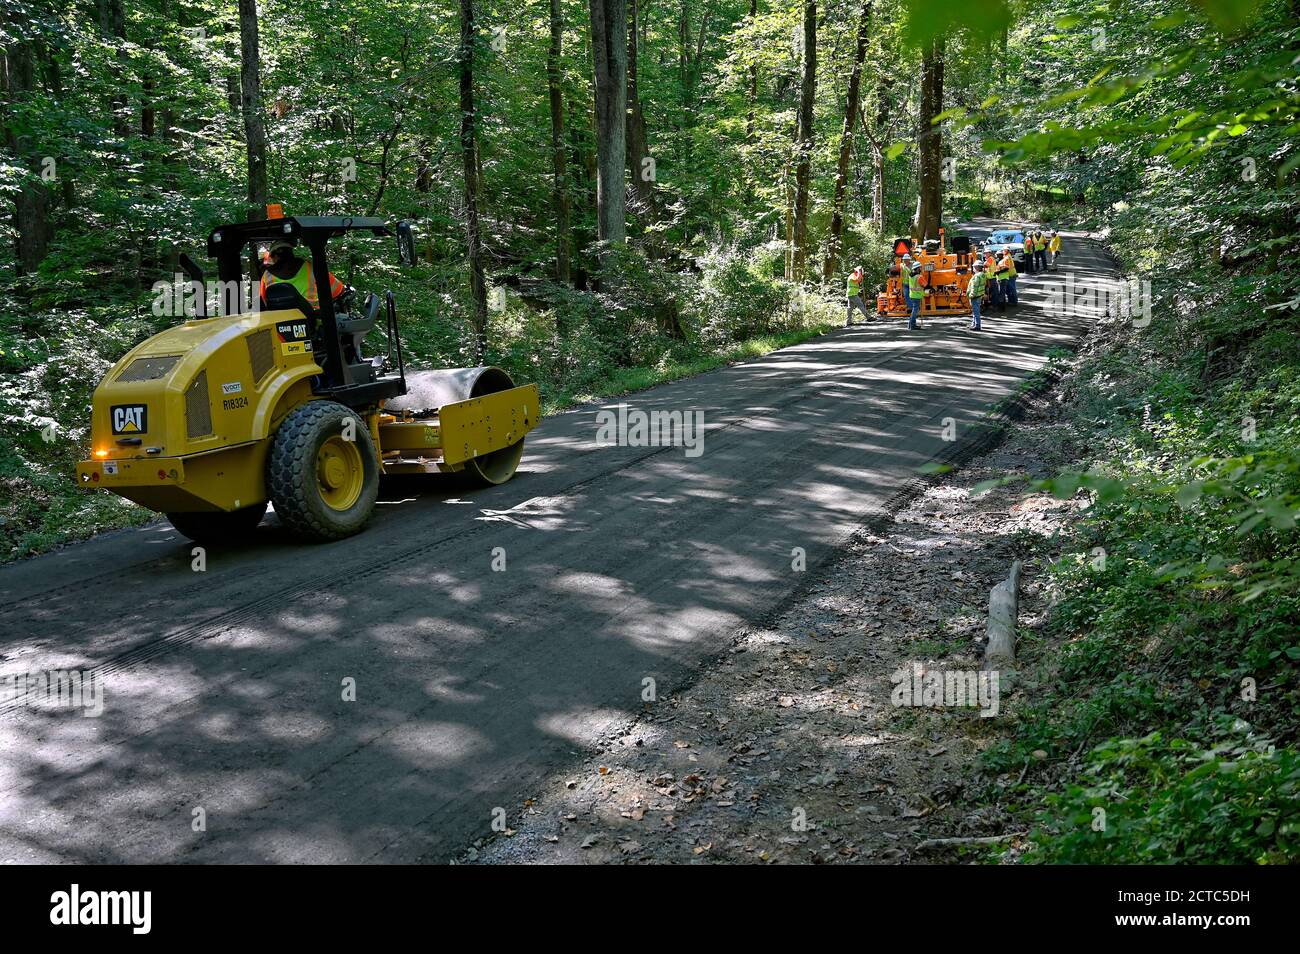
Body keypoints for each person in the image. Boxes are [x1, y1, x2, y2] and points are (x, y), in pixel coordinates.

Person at [259, 239, 345, 308]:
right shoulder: (309, 267)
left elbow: (264, 301)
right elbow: (338, 290)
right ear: (291, 252)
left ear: (276, 256)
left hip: (280, 321)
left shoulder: (267, 275)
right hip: (311, 321)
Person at [905, 262, 929, 330]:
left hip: (912, 294)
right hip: (917, 295)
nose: (921, 269)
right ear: (917, 268)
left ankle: (910, 325)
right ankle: (912, 325)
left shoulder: (911, 276)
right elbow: (925, 285)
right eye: (920, 268)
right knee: (915, 311)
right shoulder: (919, 276)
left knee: (914, 310)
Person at [966, 259, 988, 331]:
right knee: (975, 311)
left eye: (974, 267)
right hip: (979, 295)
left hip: (975, 296)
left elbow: (974, 287)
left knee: (976, 311)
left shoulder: (976, 276)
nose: (974, 268)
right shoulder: (983, 275)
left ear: (977, 267)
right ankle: (973, 324)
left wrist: (971, 295)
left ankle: (977, 325)